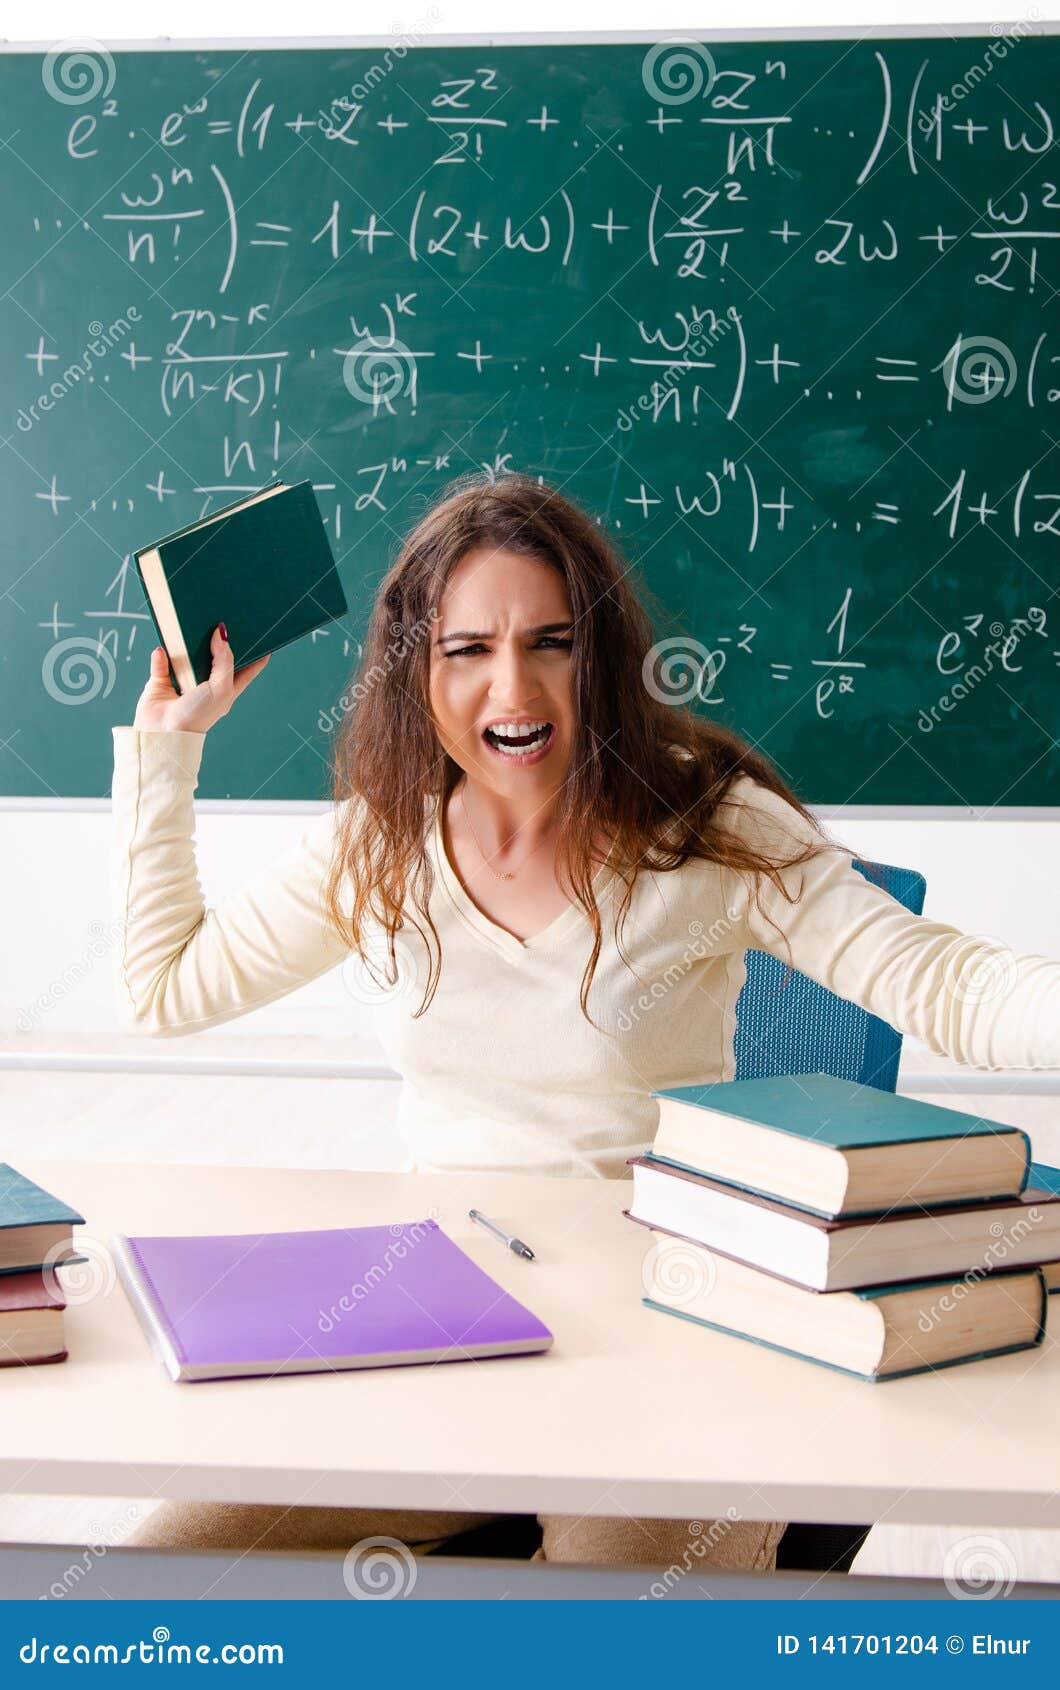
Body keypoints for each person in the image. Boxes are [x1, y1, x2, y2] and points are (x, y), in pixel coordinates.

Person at [110, 474, 1060, 1568]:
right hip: (440, 1319)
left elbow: (947, 984)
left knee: (608, 1628)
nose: (512, 688)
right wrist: (168, 747)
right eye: (467, 649)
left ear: (598, 653)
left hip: (671, 1321)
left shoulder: (702, 825)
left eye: (550, 643)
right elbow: (164, 988)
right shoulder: (376, 843)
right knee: (158, 1579)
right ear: (415, 668)